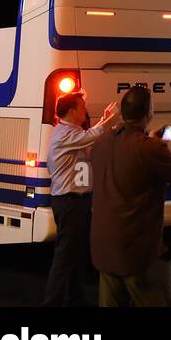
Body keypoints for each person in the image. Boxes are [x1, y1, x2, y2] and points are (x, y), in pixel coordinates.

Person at [89, 84, 171, 306]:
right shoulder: (150, 149)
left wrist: (149, 138)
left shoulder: (102, 142)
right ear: (149, 113)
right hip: (139, 254)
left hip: (105, 249)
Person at [43, 91, 117, 306]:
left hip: (76, 201)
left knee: (75, 255)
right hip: (69, 202)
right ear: (72, 110)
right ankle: (53, 302)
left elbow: (90, 136)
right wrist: (110, 119)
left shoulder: (70, 132)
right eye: (82, 106)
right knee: (65, 257)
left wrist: (104, 120)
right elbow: (90, 137)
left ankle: (75, 299)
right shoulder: (65, 134)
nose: (85, 110)